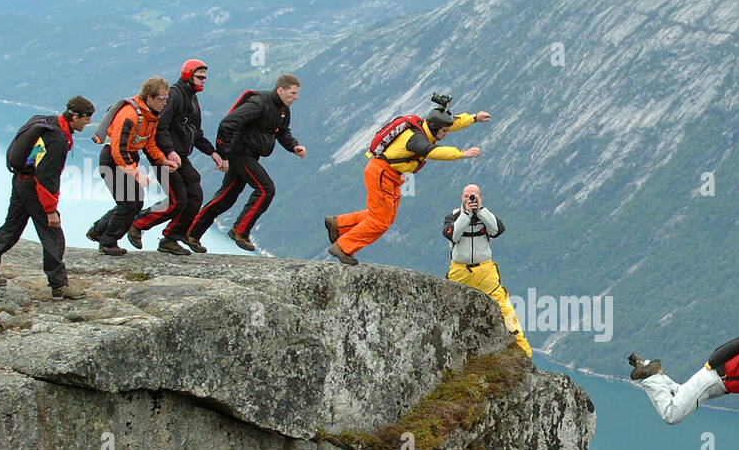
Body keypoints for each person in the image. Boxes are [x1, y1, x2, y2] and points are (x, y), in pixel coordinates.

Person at [325, 93, 488, 266]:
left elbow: (452, 123)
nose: (447, 133)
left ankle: (339, 224)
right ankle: (342, 247)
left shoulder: (424, 127)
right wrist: (462, 154)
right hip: (382, 173)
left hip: (391, 176)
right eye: (444, 131)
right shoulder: (415, 139)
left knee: (384, 216)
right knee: (380, 222)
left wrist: (473, 118)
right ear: (434, 128)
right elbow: (432, 152)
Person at [0, 96, 96, 299]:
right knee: (53, 234)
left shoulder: (49, 122)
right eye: (86, 119)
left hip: (20, 179)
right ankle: (59, 285)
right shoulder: (58, 139)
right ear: (75, 117)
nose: (88, 123)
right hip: (33, 185)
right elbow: (46, 177)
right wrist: (51, 210)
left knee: (12, 226)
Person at [187, 74, 305, 251]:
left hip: (250, 154)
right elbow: (227, 124)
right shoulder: (259, 103)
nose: (296, 98)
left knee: (226, 197)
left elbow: (282, 131)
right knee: (266, 190)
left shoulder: (282, 109)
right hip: (239, 153)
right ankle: (239, 231)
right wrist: (224, 154)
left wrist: (294, 146)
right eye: (293, 93)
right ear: (280, 90)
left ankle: (190, 233)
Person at [129, 60, 226, 254]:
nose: (203, 81)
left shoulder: (192, 99)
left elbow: (196, 132)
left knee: (195, 195)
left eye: (205, 78)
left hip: (180, 155)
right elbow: (160, 127)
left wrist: (213, 153)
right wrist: (170, 151)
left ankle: (173, 237)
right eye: (199, 77)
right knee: (177, 200)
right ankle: (138, 224)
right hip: (165, 156)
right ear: (188, 76)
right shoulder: (174, 95)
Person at [87, 77, 179, 256]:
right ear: (149, 97)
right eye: (161, 99)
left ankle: (97, 231)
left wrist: (163, 160)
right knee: (129, 202)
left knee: (135, 201)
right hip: (113, 160)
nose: (164, 103)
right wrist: (136, 174)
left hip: (126, 159)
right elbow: (117, 149)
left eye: (166, 99)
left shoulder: (151, 116)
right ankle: (107, 242)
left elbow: (149, 143)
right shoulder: (129, 115)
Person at [442, 184, 531, 356]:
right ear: (462, 198)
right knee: (451, 309)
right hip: (460, 272)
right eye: (467, 196)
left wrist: (480, 211)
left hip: (485, 272)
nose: (471, 199)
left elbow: (498, 229)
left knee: (505, 309)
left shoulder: (486, 217)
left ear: (481, 198)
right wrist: (466, 214)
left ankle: (523, 351)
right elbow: (452, 234)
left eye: (474, 196)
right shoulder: (453, 217)